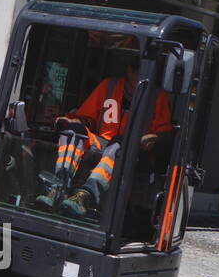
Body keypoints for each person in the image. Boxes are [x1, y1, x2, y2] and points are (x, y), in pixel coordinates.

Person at [38, 57, 173, 218]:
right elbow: (86, 117)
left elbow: (165, 133)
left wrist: (155, 137)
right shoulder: (109, 86)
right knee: (74, 131)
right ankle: (58, 186)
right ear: (129, 70)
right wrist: (74, 121)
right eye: (139, 72)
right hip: (103, 141)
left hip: (135, 151)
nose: (144, 77)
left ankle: (85, 195)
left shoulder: (158, 96)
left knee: (119, 143)